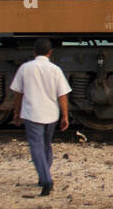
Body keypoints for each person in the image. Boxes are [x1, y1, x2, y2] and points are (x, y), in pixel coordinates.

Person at [10, 38, 72, 196]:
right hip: (51, 114)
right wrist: (65, 115)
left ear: (33, 51)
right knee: (46, 145)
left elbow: (18, 93)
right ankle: (43, 176)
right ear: (50, 52)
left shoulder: (25, 68)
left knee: (36, 146)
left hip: (32, 113)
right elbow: (62, 95)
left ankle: (45, 180)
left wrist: (16, 112)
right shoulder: (55, 69)